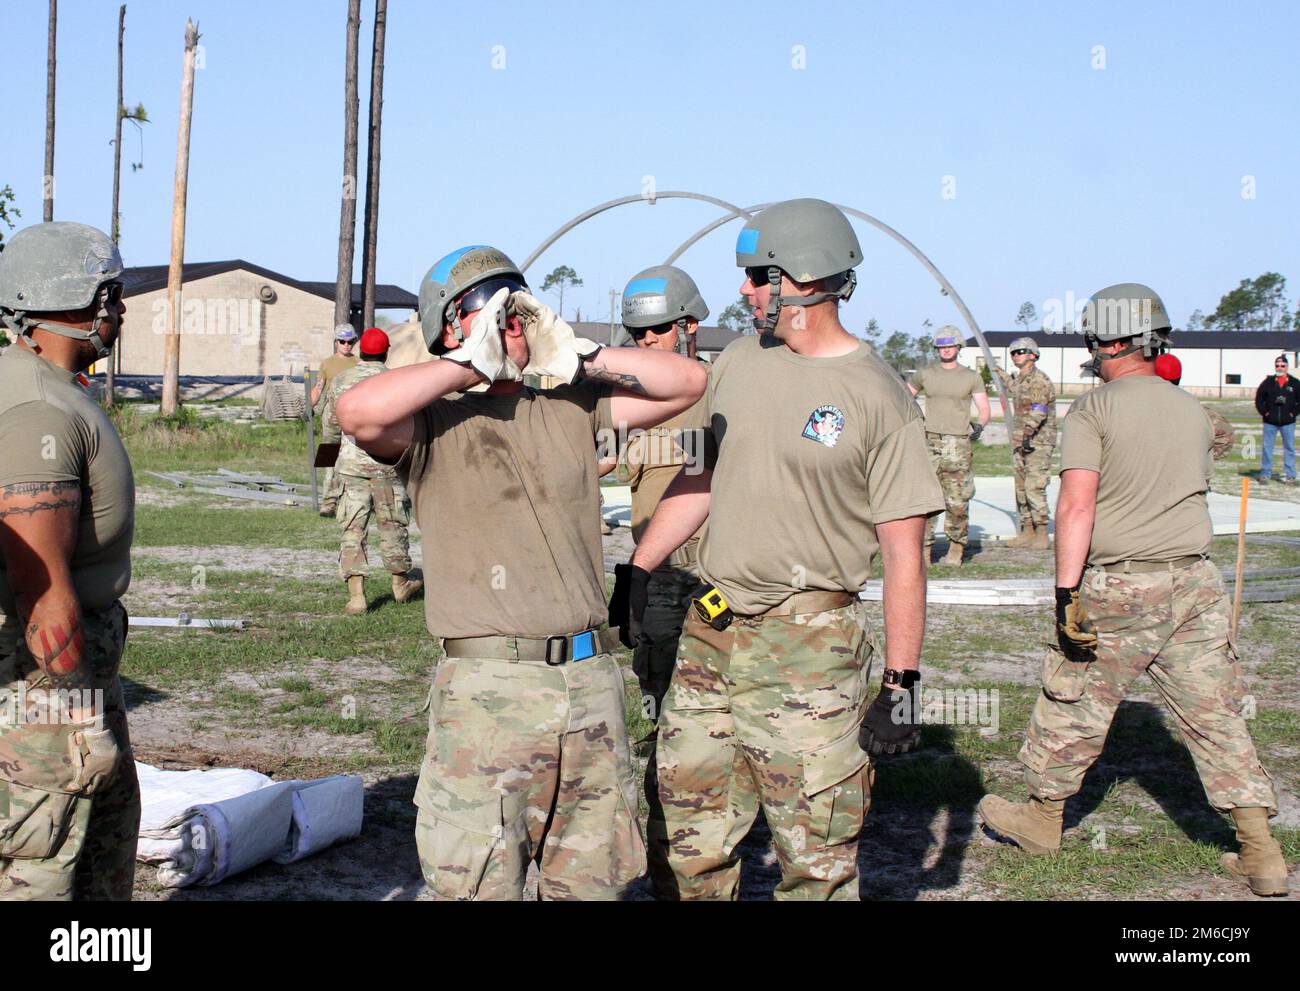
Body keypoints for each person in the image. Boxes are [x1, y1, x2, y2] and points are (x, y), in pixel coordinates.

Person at [335, 244, 707, 900]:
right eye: (499, 314)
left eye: (521, 311)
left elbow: (688, 383)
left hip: (590, 689)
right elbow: (358, 414)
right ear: (454, 325)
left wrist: (583, 354)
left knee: (595, 887)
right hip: (487, 698)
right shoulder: (432, 421)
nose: (516, 325)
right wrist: (461, 365)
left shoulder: (573, 401)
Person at [625, 199, 945, 900]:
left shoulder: (877, 395)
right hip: (710, 632)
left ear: (806, 278)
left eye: (757, 275)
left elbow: (903, 557)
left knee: (815, 854)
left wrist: (903, 684)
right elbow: (700, 476)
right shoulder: (739, 362)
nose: (744, 290)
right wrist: (641, 570)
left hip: (812, 650)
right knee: (687, 831)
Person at [979, 283, 1289, 897]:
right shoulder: (1194, 408)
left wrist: (1067, 592)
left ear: (1106, 341)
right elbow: (1216, 446)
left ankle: (1042, 819)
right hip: (1195, 581)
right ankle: (1262, 853)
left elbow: (1076, 504)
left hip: (1121, 584)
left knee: (1072, 698)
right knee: (1216, 714)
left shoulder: (1093, 410)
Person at [0, 222, 138, 900]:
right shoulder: (38, 409)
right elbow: (41, 587)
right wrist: (84, 714)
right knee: (46, 876)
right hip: (47, 698)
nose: (119, 308)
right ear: (68, 298)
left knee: (95, 870)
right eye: (109, 291)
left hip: (67, 683)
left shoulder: (50, 389)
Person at [608, 264, 710, 899]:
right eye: (636, 332)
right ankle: (668, 838)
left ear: (688, 327)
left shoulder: (723, 389)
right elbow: (596, 459)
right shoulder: (630, 400)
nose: (645, 342)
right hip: (658, 573)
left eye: (656, 331)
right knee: (660, 703)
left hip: (720, 573)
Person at [331, 327, 422, 615]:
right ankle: (400, 584)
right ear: (386, 352)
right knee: (393, 524)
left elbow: (331, 425)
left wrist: (329, 463)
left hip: (351, 466)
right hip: (388, 465)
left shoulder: (341, 380)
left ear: (360, 351)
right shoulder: (395, 381)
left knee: (352, 528)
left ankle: (357, 596)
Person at [909, 329, 990, 565]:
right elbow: (906, 397)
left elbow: (984, 408)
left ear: (958, 348)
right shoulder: (924, 374)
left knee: (957, 499)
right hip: (929, 442)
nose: (946, 349)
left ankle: (956, 548)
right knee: (926, 499)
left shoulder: (971, 377)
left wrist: (979, 427)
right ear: (936, 349)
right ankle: (924, 549)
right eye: (941, 346)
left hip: (958, 444)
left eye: (951, 345)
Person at [993, 337, 1057, 549]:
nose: (1015, 355)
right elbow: (1012, 387)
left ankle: (1040, 532)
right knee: (1020, 487)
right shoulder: (1020, 380)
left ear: (1033, 355)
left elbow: (1040, 409)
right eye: (1013, 352)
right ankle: (1027, 530)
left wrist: (1027, 432)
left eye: (1020, 351)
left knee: (1034, 486)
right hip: (1021, 440)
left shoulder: (1040, 380)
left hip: (1038, 441)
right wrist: (998, 371)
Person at [311, 324, 360, 516]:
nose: (346, 345)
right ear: (336, 342)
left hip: (353, 416)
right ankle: (328, 501)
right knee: (329, 456)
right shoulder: (327, 364)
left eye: (350, 342)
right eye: (342, 341)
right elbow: (318, 388)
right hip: (331, 417)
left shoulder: (358, 362)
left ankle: (350, 500)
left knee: (352, 457)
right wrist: (309, 405)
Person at [1154, 353, 1235, 460]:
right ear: (1179, 378)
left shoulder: (1139, 405)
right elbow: (1225, 436)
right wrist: (1199, 459)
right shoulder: (1196, 409)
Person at [1254, 355, 1298, 484]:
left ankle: (1290, 475)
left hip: (1288, 423)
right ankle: (1265, 474)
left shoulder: (1295, 383)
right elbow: (1259, 399)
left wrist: (1292, 413)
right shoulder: (1267, 382)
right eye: (1277, 365)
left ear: (1287, 367)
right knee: (1267, 448)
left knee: (1289, 448)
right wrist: (1265, 413)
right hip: (1270, 422)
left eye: (1282, 365)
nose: (1280, 368)